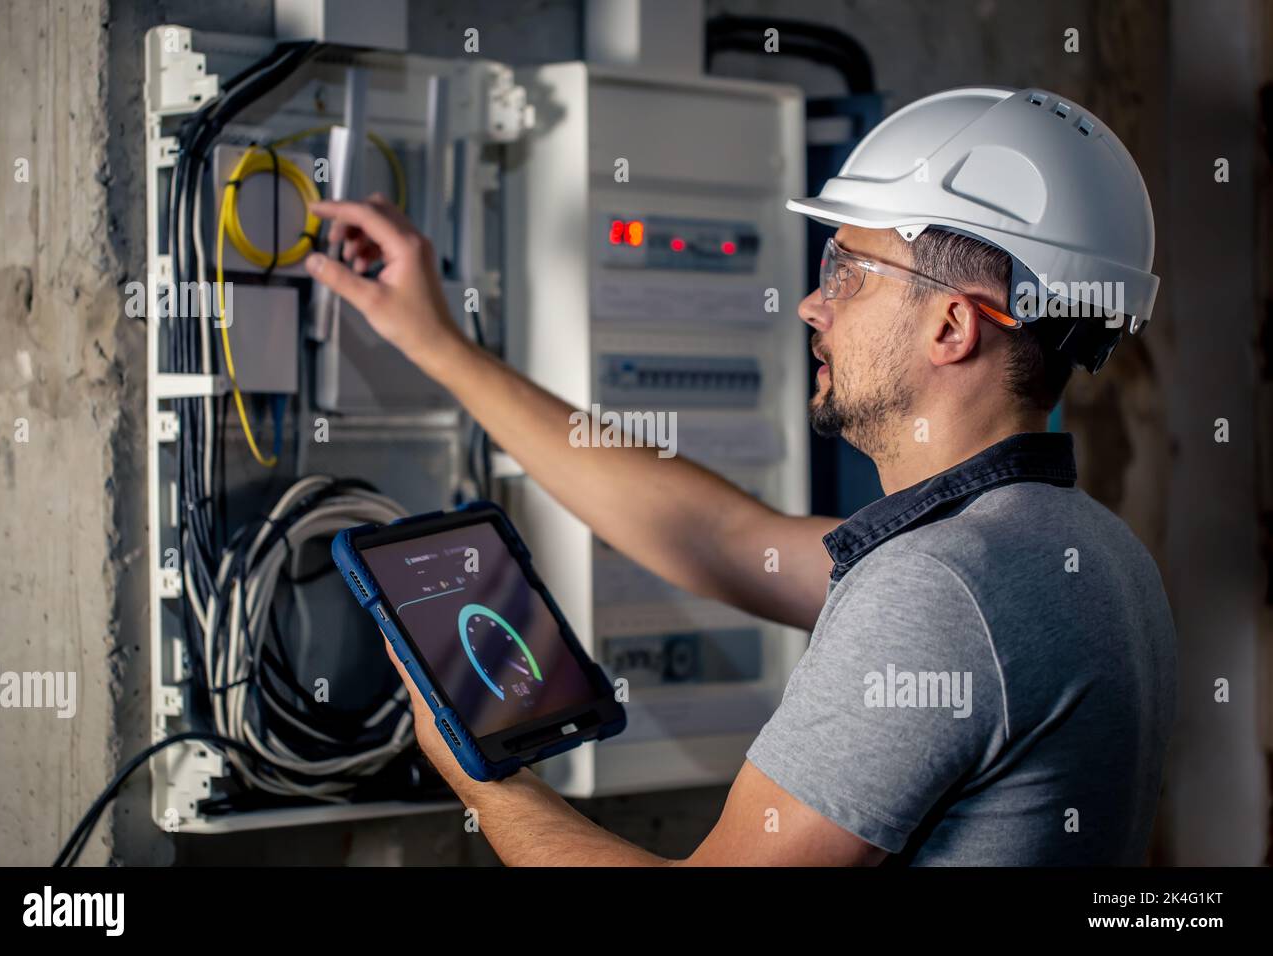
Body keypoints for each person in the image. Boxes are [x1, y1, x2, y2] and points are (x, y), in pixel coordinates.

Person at [304, 85, 1176, 865]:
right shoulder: (1076, 547)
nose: (811, 302)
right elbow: (721, 540)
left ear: (951, 327)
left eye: (850, 272)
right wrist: (438, 346)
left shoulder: (937, 589)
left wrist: (486, 780)